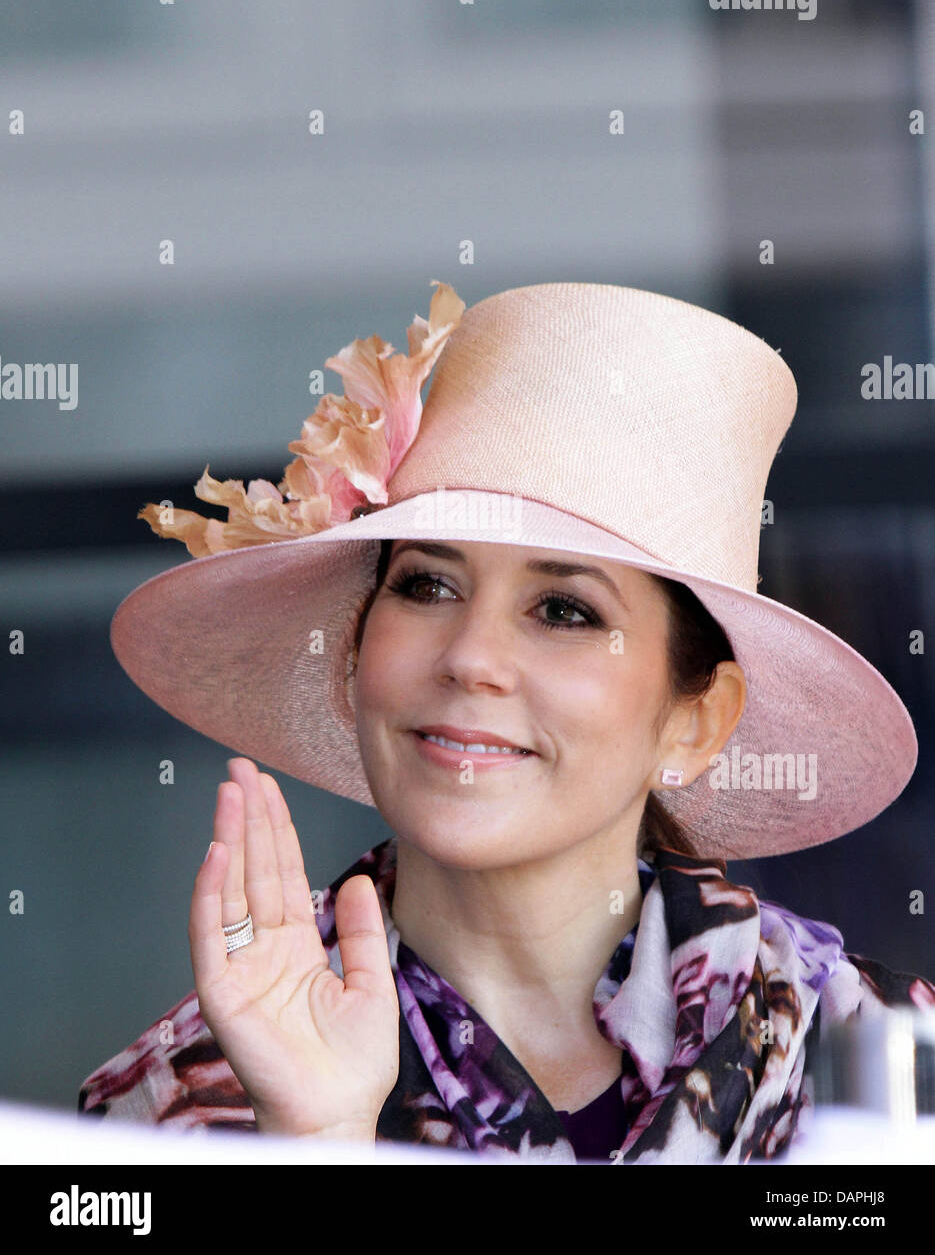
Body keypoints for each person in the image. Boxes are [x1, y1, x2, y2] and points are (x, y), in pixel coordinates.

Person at [77, 280, 935, 1164]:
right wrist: (317, 1143)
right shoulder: (184, 1103)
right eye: (425, 586)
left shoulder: (872, 1059)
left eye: (564, 610)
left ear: (695, 721)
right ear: (352, 656)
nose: (470, 657)